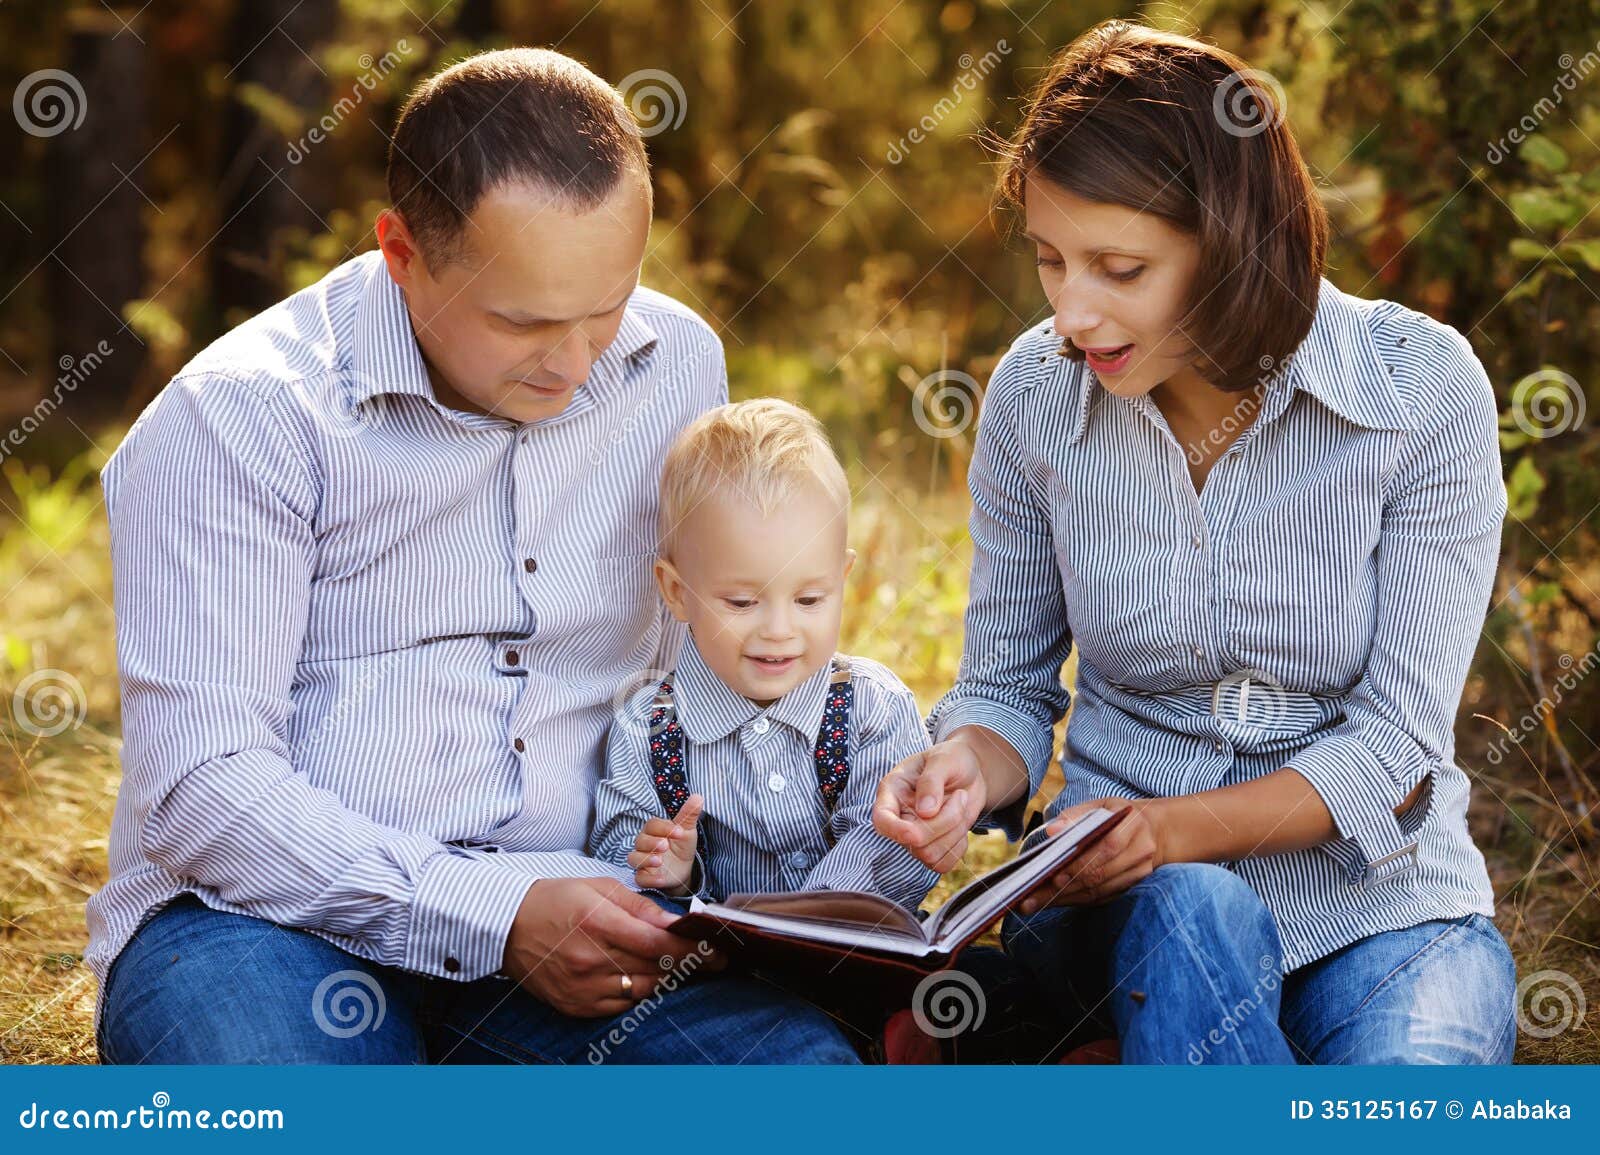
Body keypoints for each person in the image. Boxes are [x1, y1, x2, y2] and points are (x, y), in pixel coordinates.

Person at [88, 48, 857, 1065]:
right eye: (523, 322)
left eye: (606, 309)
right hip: (263, 922)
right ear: (401, 251)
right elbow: (202, 788)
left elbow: (701, 664)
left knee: (801, 1088)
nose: (575, 365)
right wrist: (492, 915)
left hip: (591, 914)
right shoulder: (239, 418)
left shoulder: (677, 365)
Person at [874, 20, 1516, 1064]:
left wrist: (1169, 827)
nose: (1072, 313)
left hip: (1381, 914)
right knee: (1195, 908)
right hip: (1123, 913)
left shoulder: (1419, 391)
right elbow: (1006, 690)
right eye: (1050, 261)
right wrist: (963, 767)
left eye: (1120, 268)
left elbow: (1396, 752)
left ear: (1230, 244)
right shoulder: (1035, 397)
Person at [590, 398, 937, 910]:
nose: (779, 630)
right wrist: (672, 874)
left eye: (809, 600)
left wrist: (806, 920)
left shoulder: (874, 708)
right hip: (714, 955)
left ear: (842, 580)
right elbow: (620, 852)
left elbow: (894, 843)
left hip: (858, 947)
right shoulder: (647, 725)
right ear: (677, 592)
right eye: (742, 602)